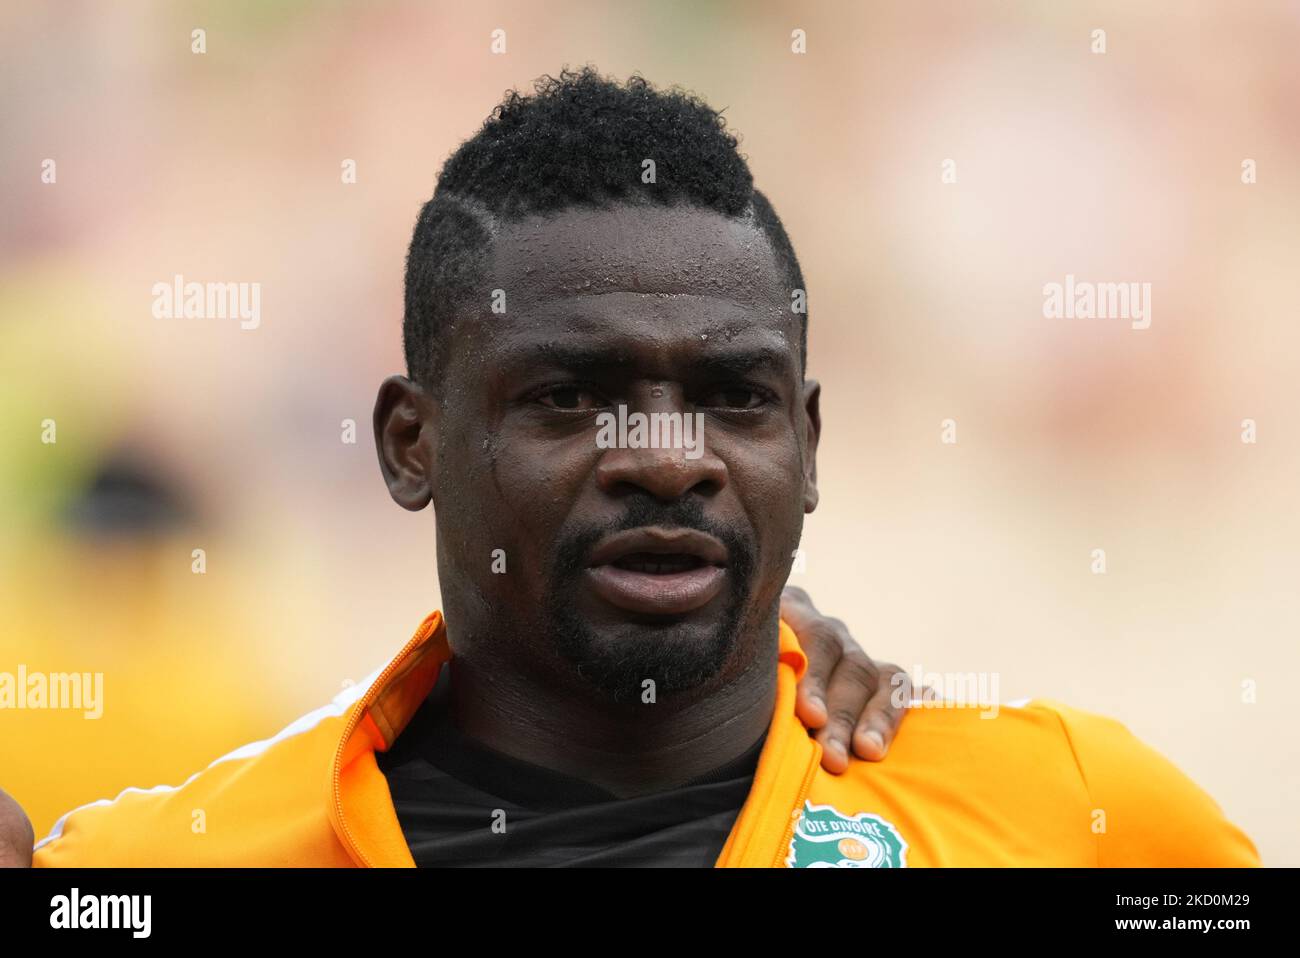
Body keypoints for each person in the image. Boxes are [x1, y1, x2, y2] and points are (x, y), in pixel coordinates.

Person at [19, 68, 1257, 867]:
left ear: (809, 448)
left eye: (734, 399)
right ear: (412, 444)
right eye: (570, 397)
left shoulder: (1081, 821)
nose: (670, 462)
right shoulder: (152, 868)